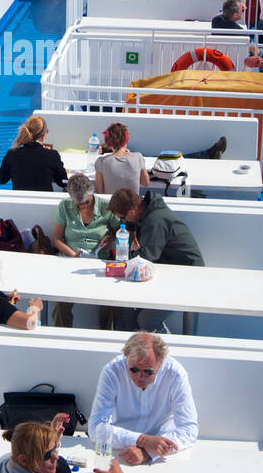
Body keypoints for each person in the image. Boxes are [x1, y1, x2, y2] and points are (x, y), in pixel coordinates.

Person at [89, 332, 199, 465]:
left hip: (161, 452)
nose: (140, 376)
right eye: (134, 370)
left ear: (160, 363)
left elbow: (189, 428)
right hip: (121, 451)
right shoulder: (112, 371)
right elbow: (95, 428)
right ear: (126, 359)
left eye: (148, 371)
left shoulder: (176, 374)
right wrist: (142, 440)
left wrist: (148, 452)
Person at [107, 187, 205, 335]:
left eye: (122, 217)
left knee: (146, 321)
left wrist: (117, 261)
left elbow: (146, 256)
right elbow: (134, 226)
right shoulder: (147, 210)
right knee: (129, 314)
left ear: (132, 212)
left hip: (189, 278)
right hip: (170, 273)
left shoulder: (156, 221)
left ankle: (165, 352)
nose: (122, 221)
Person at [51, 173, 119, 329]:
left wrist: (110, 237)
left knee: (110, 300)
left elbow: (119, 231)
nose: (83, 206)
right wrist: (74, 256)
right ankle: (62, 338)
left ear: (93, 195)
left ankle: (106, 336)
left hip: (99, 263)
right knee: (61, 302)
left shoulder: (106, 206)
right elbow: (57, 239)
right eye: (78, 204)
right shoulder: (64, 206)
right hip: (70, 261)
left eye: (87, 202)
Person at [0, 115, 67, 192]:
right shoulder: (52, 155)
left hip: (19, 202)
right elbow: (63, 182)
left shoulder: (12, 154)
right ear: (43, 136)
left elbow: (1, 179)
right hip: (44, 202)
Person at [94, 123, 149, 196]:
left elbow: (99, 192)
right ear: (126, 139)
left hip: (112, 206)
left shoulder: (101, 162)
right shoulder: (138, 157)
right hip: (134, 206)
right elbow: (145, 183)